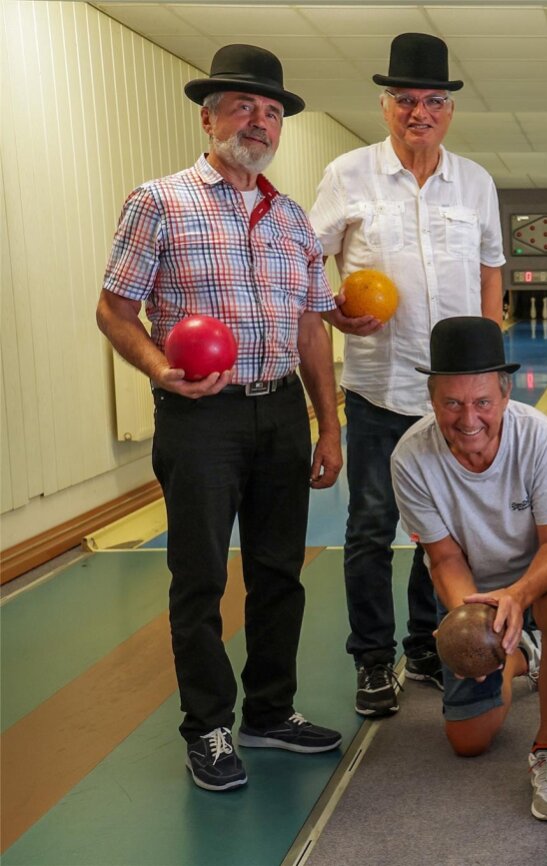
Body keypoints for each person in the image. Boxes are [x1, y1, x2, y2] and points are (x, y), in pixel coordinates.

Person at [96, 44, 344, 792]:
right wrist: (159, 367)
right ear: (208, 118)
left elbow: (310, 327)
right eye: (243, 106)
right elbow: (114, 308)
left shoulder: (294, 218)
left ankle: (271, 712)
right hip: (200, 417)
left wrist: (327, 423)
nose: (259, 122)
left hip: (279, 416)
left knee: (279, 573)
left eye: (271, 112)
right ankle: (206, 727)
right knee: (198, 578)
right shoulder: (159, 201)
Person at [309, 33, 506, 717]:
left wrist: (490, 369)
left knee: (443, 531)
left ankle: (427, 642)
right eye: (403, 100)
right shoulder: (346, 175)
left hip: (453, 400)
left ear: (448, 110)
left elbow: (490, 270)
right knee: (369, 528)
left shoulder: (475, 182)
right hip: (377, 389)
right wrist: (331, 312)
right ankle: (372, 657)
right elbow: (309, 261)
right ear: (384, 105)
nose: (417, 111)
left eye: (430, 101)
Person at [390, 317, 547, 822]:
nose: (467, 418)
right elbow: (446, 558)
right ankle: (521, 656)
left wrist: (517, 598)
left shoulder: (537, 434)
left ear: (505, 394)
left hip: (542, 569)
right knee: (468, 742)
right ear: (432, 400)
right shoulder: (411, 457)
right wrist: (474, 628)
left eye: (481, 402)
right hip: (472, 582)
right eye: (451, 403)